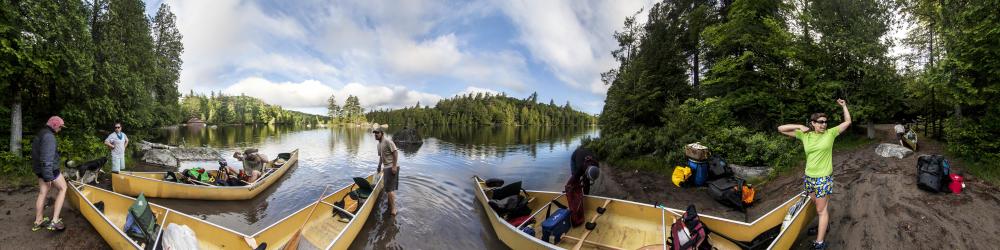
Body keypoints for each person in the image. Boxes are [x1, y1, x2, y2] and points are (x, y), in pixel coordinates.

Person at [778, 99, 851, 250]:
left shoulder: (830, 133)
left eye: (825, 122)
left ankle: (820, 243)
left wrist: (844, 106)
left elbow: (848, 122)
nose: (824, 124)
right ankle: (824, 226)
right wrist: (799, 126)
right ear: (813, 123)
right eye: (820, 122)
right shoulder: (805, 135)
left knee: (821, 210)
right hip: (809, 177)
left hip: (823, 178)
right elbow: (781, 129)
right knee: (816, 204)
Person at [31, 116, 68, 231]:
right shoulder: (49, 137)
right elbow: (47, 158)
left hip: (40, 169)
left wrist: (43, 174)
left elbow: (37, 154)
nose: (60, 129)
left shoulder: (41, 133)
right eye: (60, 127)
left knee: (43, 193)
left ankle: (38, 221)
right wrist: (48, 177)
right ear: (55, 125)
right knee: (63, 188)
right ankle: (54, 221)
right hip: (49, 169)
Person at [566, 146, 600, 227]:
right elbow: (571, 182)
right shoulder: (579, 167)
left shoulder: (596, 164)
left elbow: (590, 176)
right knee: (575, 180)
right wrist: (569, 188)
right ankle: (578, 195)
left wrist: (586, 181)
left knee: (586, 181)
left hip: (584, 155)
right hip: (575, 156)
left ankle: (585, 196)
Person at [374, 128, 399, 215]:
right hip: (386, 167)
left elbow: (395, 152)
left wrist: (394, 166)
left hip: (391, 167)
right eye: (375, 133)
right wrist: (379, 166)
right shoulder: (378, 145)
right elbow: (381, 157)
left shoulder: (388, 141)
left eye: (377, 133)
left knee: (389, 189)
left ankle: (394, 208)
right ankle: (389, 204)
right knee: (388, 188)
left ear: (382, 133)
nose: (375, 134)